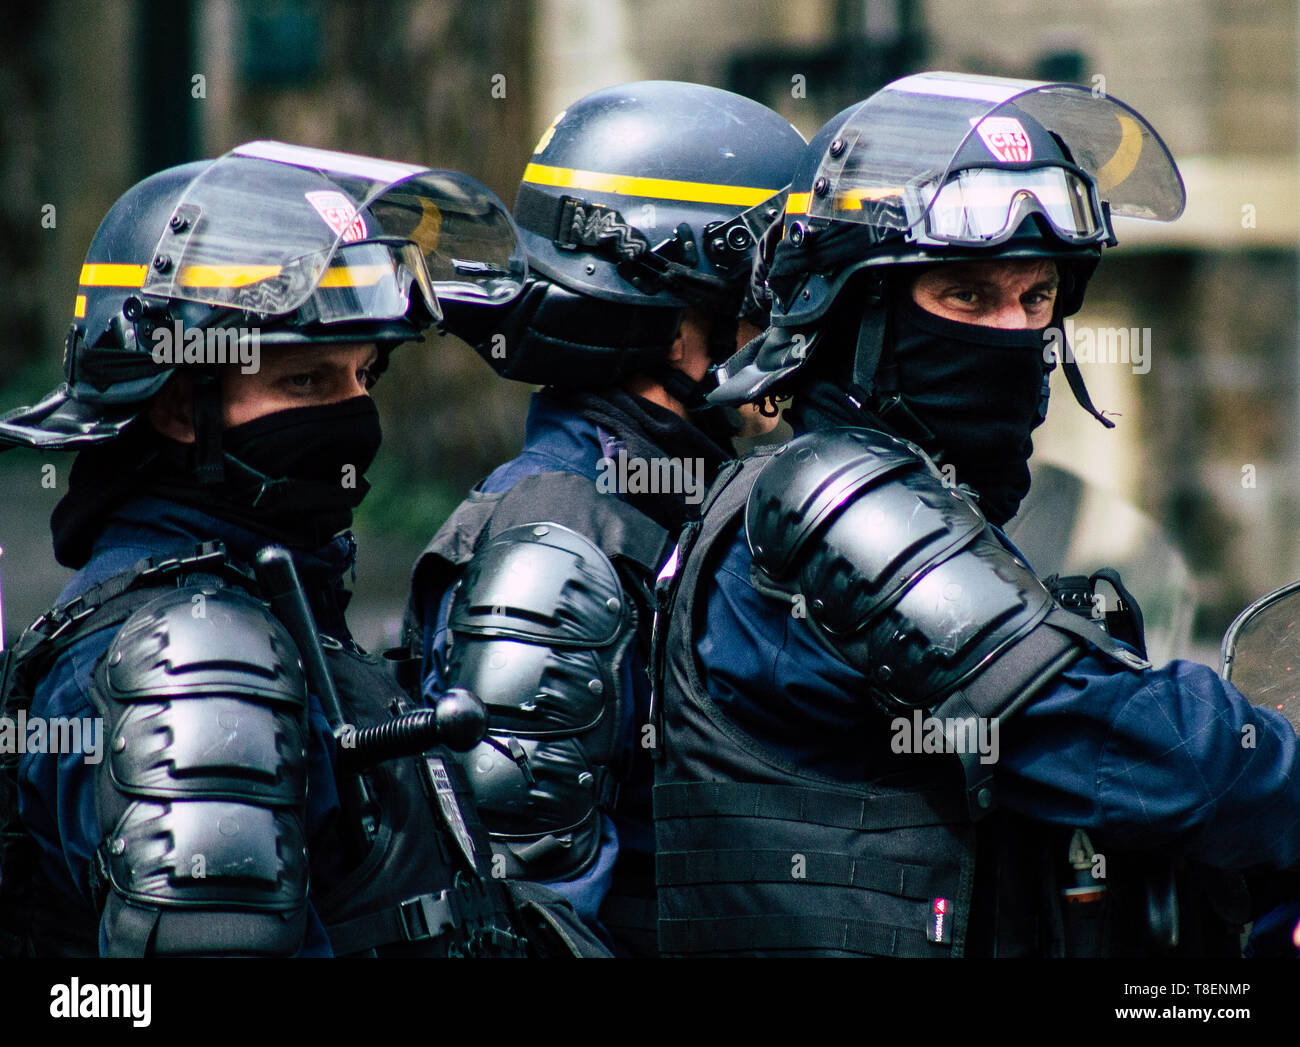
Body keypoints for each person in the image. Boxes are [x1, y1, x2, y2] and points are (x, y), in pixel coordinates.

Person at [652, 71, 1300, 957]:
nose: (1012, 329)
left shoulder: (923, 505)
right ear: (856, 311)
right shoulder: (831, 505)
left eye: (1035, 298)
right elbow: (1128, 742)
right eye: (967, 296)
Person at [0, 141, 605, 957]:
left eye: (363, 375)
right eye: (309, 383)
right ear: (183, 403)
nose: (355, 415)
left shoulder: (268, 599)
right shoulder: (190, 661)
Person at [405, 81, 805, 955]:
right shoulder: (561, 548)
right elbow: (528, 924)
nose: (784, 333)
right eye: (762, 302)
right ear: (670, 325)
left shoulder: (678, 506)